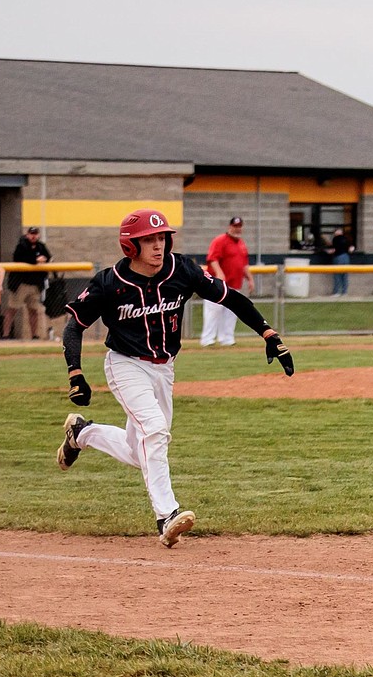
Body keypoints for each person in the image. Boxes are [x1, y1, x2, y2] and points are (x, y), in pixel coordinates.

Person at [57, 208, 295, 548]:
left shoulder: (181, 269)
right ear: (130, 246)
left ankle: (83, 433)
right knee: (154, 431)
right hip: (125, 365)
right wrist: (75, 372)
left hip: (164, 367)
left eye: (161, 237)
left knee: (142, 451)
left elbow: (230, 298)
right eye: (148, 240)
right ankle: (167, 515)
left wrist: (268, 332)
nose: (158, 245)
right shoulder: (109, 283)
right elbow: (74, 327)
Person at [201, 216, 255, 347]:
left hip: (235, 284)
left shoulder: (241, 244)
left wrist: (250, 279)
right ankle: (207, 339)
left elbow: (244, 264)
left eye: (239, 226)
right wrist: (219, 273)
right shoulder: (220, 240)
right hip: (217, 284)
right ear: (229, 227)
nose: (237, 229)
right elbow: (212, 259)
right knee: (214, 310)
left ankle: (227, 338)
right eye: (235, 226)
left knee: (231, 312)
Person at [4, 226, 52, 340]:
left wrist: (42, 259)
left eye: (35, 233)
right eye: (31, 234)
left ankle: (34, 336)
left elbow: (48, 257)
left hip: (35, 285)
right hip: (21, 284)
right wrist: (35, 260)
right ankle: (5, 334)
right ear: (27, 235)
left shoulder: (41, 246)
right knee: (12, 309)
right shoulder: (21, 245)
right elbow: (19, 257)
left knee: (34, 310)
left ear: (38, 235)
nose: (33, 236)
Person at [328, 228, 353, 296]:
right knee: (345, 275)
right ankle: (344, 292)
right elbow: (351, 249)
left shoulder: (335, 239)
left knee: (337, 274)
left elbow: (334, 249)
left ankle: (337, 292)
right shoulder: (347, 239)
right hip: (346, 257)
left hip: (338, 257)